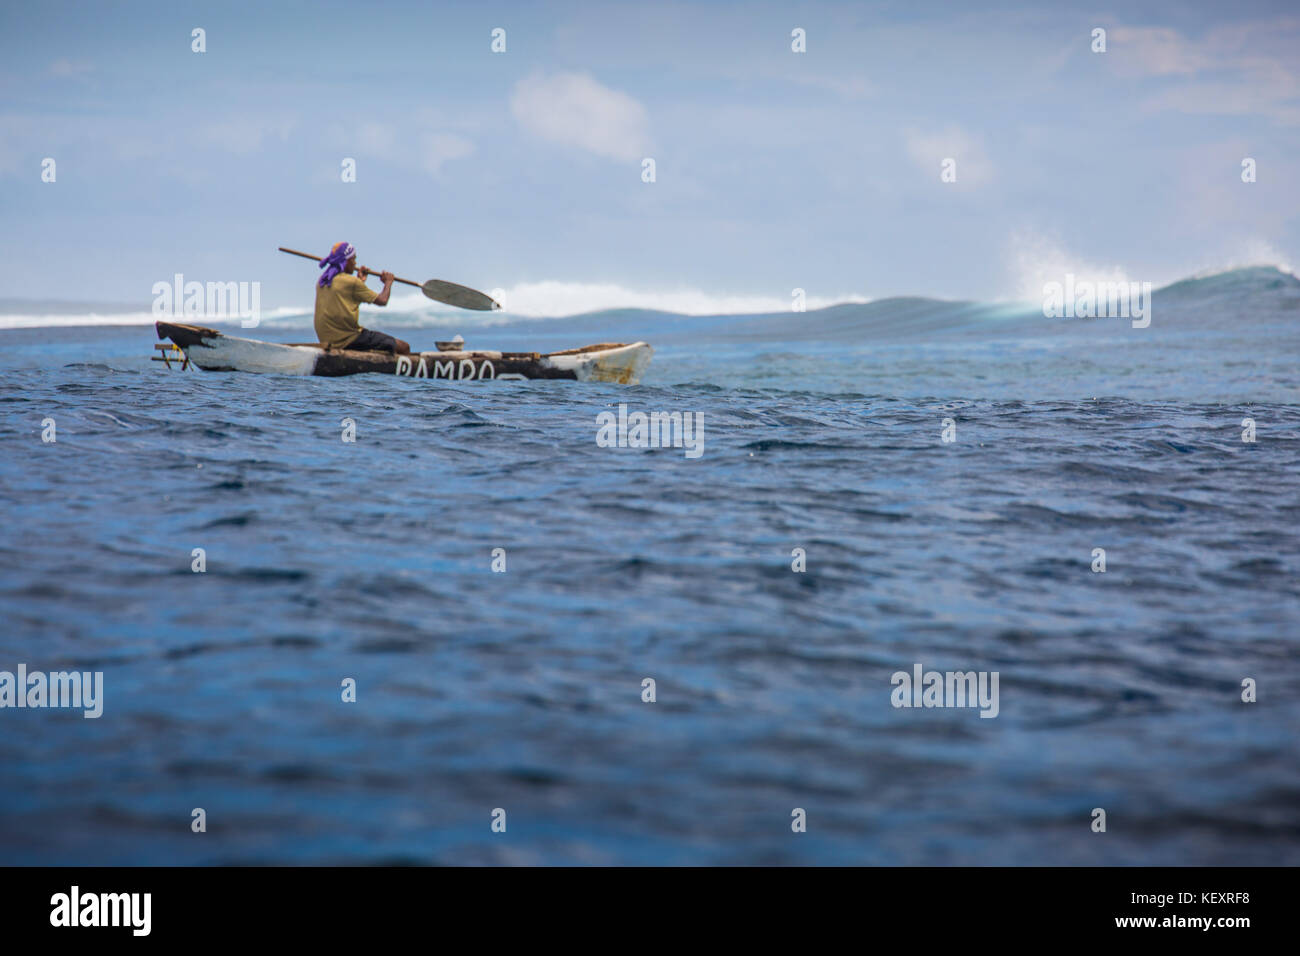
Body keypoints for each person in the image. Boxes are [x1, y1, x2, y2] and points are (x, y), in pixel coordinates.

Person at [313, 242, 411, 353]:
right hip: (349, 339)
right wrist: (388, 282)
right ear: (347, 261)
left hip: (329, 340)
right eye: (353, 259)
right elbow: (382, 300)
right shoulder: (351, 282)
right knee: (404, 347)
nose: (355, 263)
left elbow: (346, 301)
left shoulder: (323, 281)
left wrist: (360, 281)